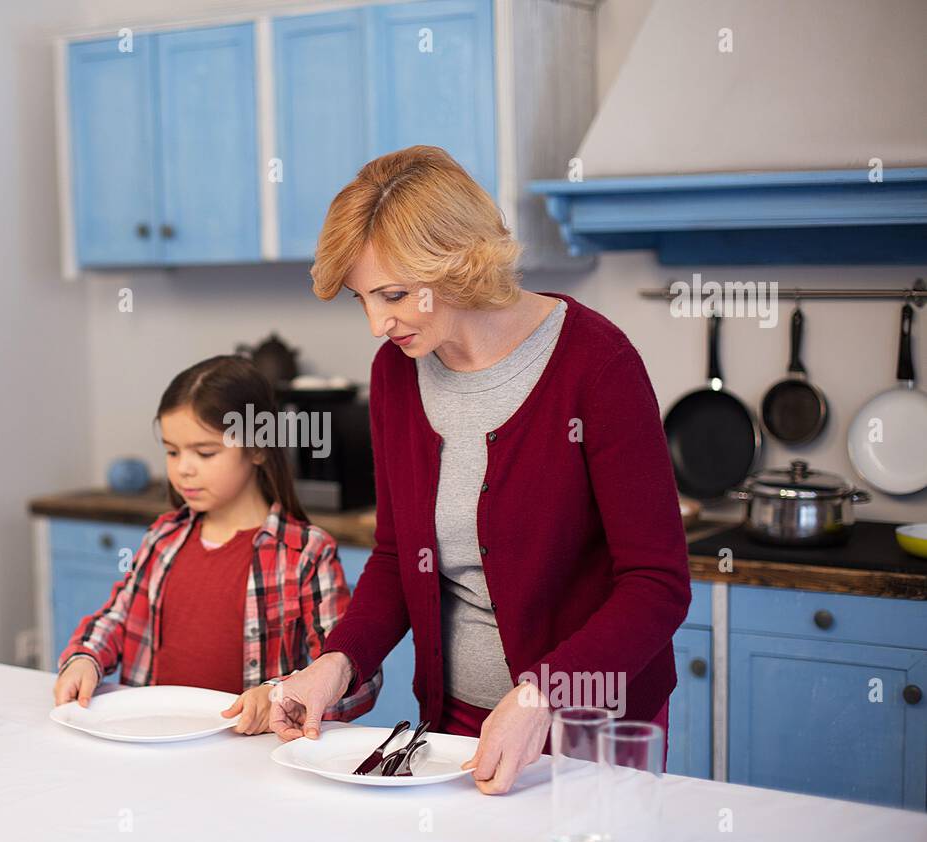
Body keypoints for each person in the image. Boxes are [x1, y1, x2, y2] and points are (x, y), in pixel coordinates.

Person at [268, 146, 691, 790]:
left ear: (459, 263)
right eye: (362, 299)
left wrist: (542, 695)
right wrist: (339, 662)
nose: (378, 323)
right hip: (453, 725)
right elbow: (395, 556)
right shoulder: (396, 374)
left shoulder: (596, 364)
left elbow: (656, 583)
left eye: (394, 295)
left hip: (590, 725)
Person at [53, 355, 382, 732]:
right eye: (172, 451)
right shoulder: (164, 537)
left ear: (258, 448)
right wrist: (84, 658)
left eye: (205, 452)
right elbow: (116, 618)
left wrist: (280, 695)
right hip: (155, 739)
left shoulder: (305, 552)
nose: (183, 469)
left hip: (246, 756)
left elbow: (358, 679)